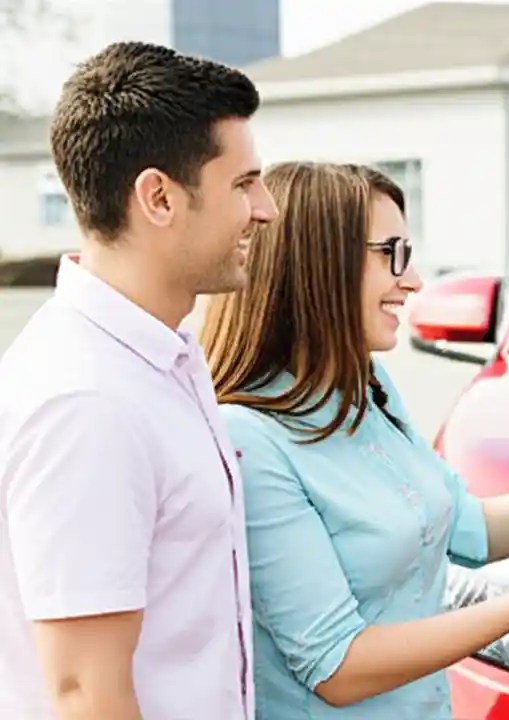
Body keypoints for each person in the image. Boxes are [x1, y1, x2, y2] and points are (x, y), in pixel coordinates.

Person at [199, 160, 509, 719]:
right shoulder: (250, 441)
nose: (413, 280)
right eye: (391, 253)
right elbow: (338, 668)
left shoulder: (368, 389)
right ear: (318, 264)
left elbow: (468, 530)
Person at [0, 42, 279, 719]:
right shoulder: (89, 400)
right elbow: (85, 696)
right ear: (158, 197)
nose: (266, 208)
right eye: (243, 183)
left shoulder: (164, 354)